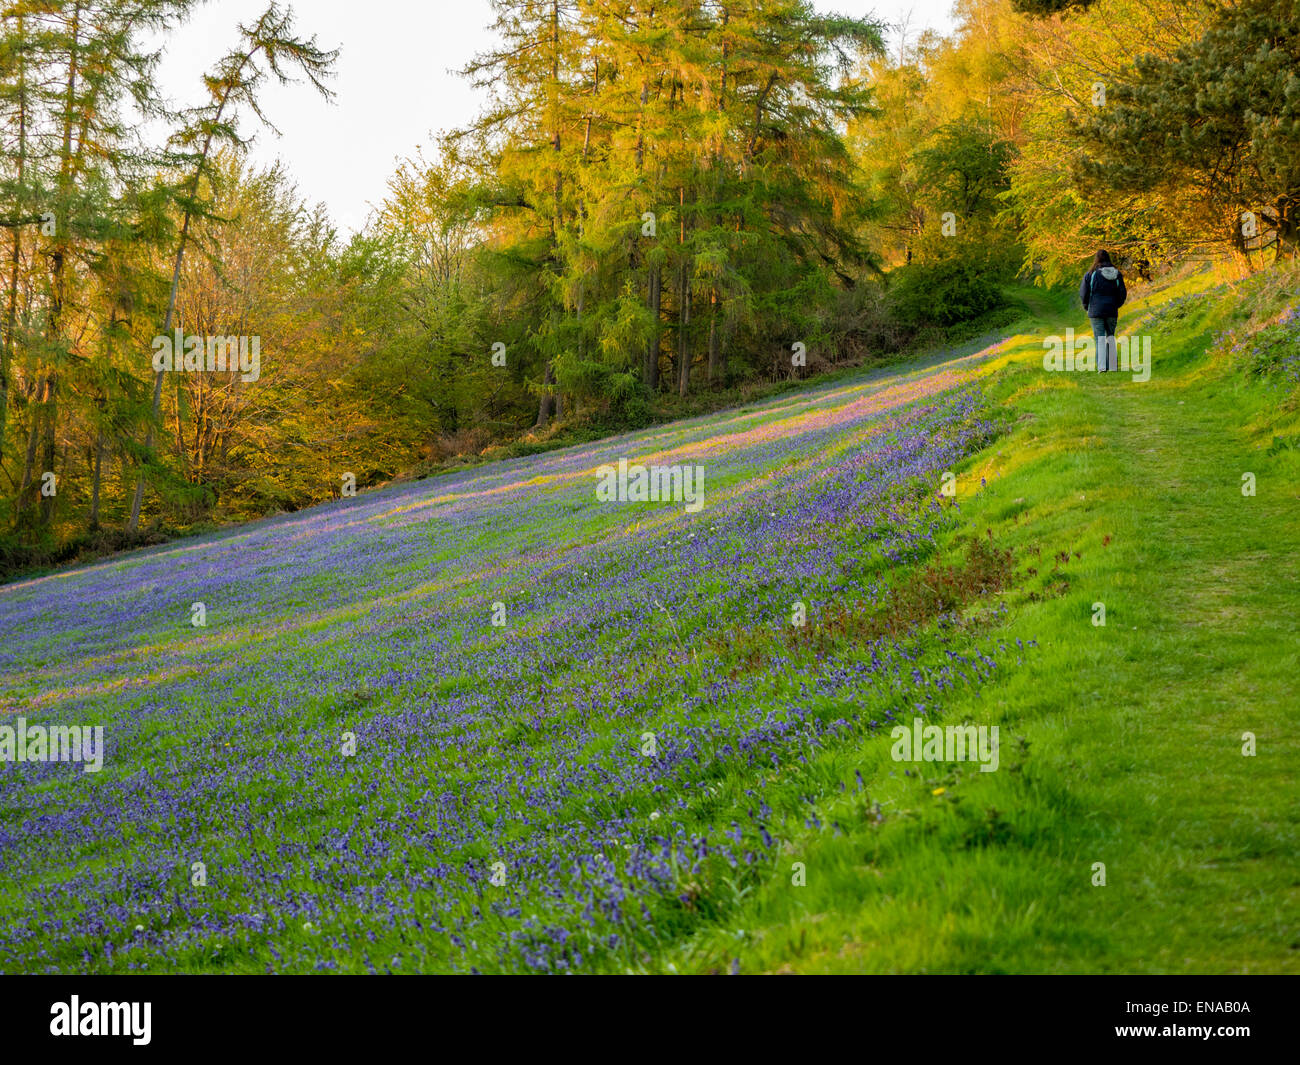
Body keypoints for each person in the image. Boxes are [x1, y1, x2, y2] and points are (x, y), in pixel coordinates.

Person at [1080, 250, 1127, 373]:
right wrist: (1117, 305)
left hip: (1095, 311)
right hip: (1111, 310)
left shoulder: (1091, 274)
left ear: (1096, 259)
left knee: (1099, 339)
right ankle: (1112, 366)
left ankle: (1102, 367)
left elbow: (1084, 293)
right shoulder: (1117, 274)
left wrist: (1086, 306)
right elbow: (1122, 293)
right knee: (1110, 337)